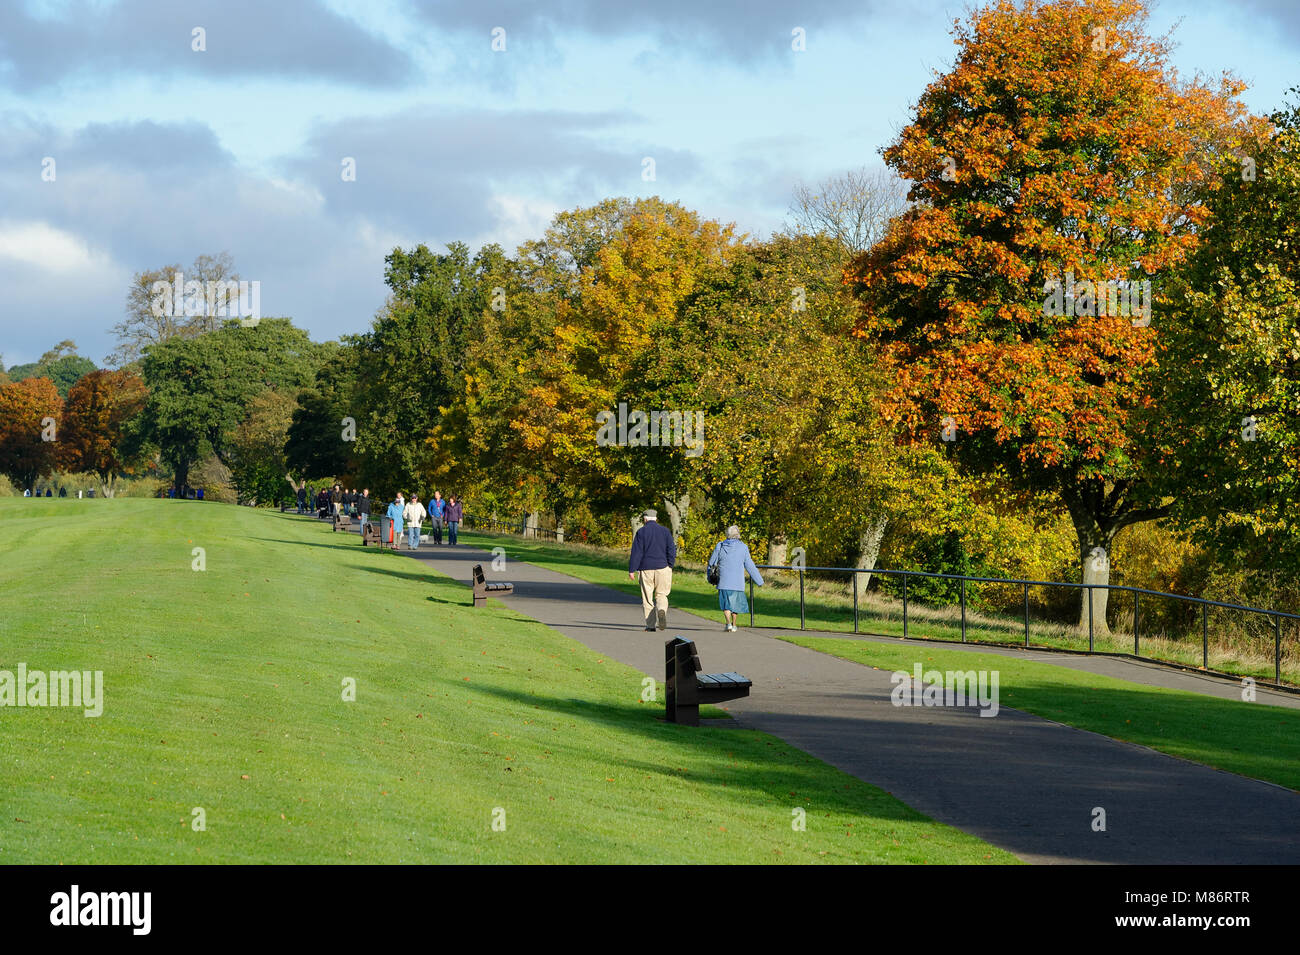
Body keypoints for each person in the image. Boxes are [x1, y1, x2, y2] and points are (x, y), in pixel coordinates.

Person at [706, 525, 764, 632]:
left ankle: (728, 623)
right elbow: (749, 565)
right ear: (738, 535)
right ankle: (734, 624)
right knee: (735, 605)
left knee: (726, 604)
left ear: (727, 534)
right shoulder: (743, 547)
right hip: (737, 582)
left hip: (723, 580)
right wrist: (759, 580)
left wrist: (709, 577)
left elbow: (711, 563)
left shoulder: (720, 545)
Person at [628, 508, 676, 631]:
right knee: (661, 594)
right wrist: (670, 565)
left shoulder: (641, 532)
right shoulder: (665, 531)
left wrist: (632, 569)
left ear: (645, 519)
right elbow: (671, 550)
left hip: (646, 568)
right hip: (663, 567)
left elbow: (636, 552)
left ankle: (650, 626)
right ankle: (661, 610)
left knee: (647, 598)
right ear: (656, 518)